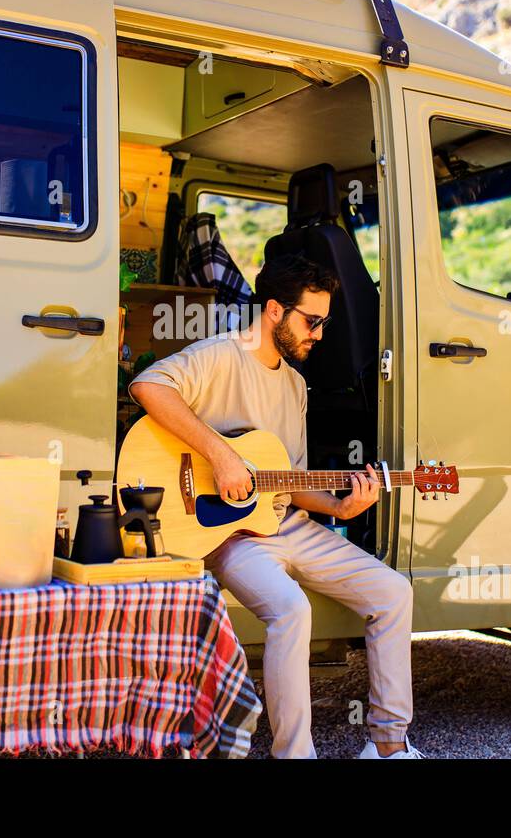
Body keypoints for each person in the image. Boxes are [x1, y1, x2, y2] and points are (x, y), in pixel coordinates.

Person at [128, 253, 420, 759]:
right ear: (273, 311)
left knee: (394, 592)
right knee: (291, 609)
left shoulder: (294, 384)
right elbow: (147, 385)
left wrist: (342, 508)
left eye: (325, 322)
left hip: (288, 522)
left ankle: (390, 748)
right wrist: (221, 456)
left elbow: (291, 478)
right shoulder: (221, 354)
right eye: (311, 321)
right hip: (228, 534)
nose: (319, 334)